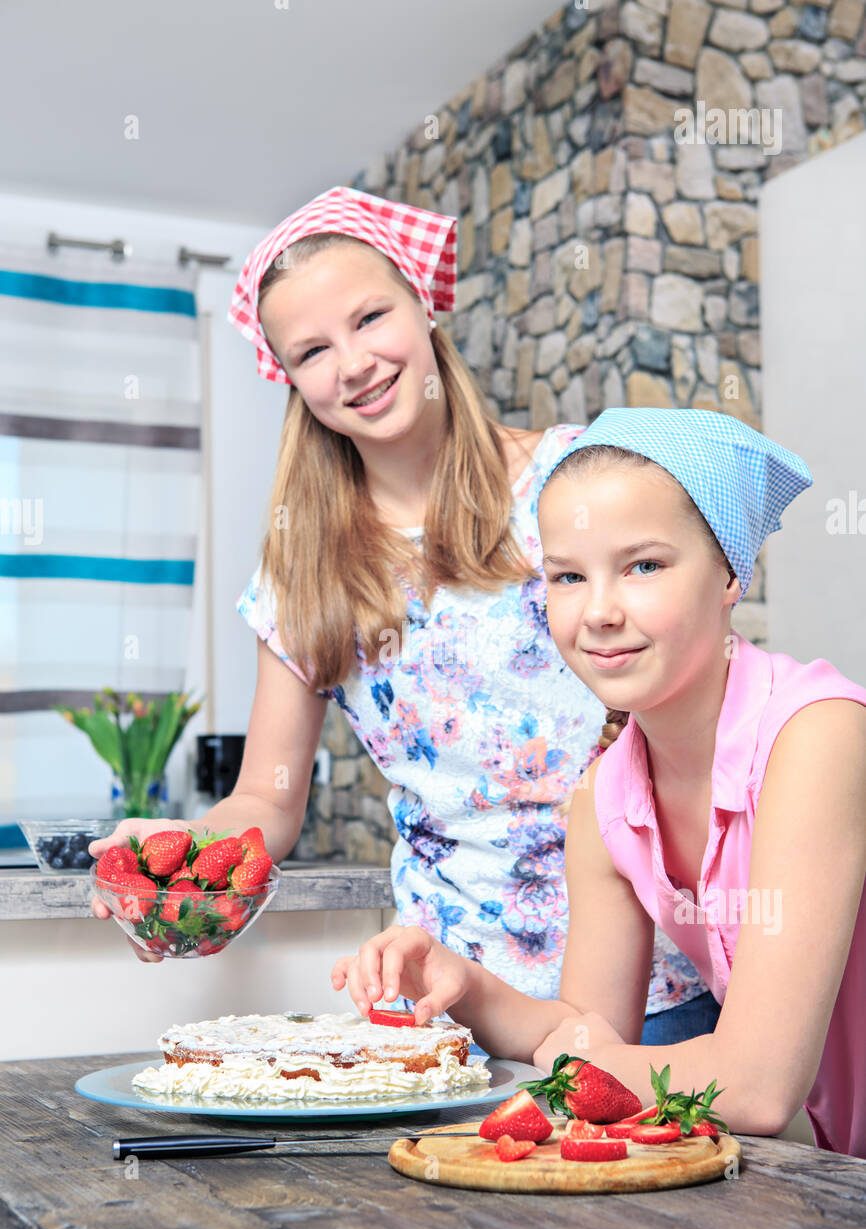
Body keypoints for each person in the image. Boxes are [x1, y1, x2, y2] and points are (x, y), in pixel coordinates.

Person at [88, 186, 715, 1047]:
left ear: (423, 303)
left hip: (659, 977)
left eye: (369, 317)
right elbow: (266, 803)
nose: (351, 362)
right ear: (291, 380)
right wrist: (184, 858)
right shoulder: (302, 569)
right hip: (444, 999)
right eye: (312, 350)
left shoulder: (573, 479)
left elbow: (700, 681)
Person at [331, 406, 866, 1158]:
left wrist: (578, 1065)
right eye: (568, 577)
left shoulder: (817, 734)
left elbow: (756, 1086)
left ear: (730, 574)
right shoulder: (606, 796)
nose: (600, 612)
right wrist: (466, 986)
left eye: (645, 565)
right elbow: (579, 1029)